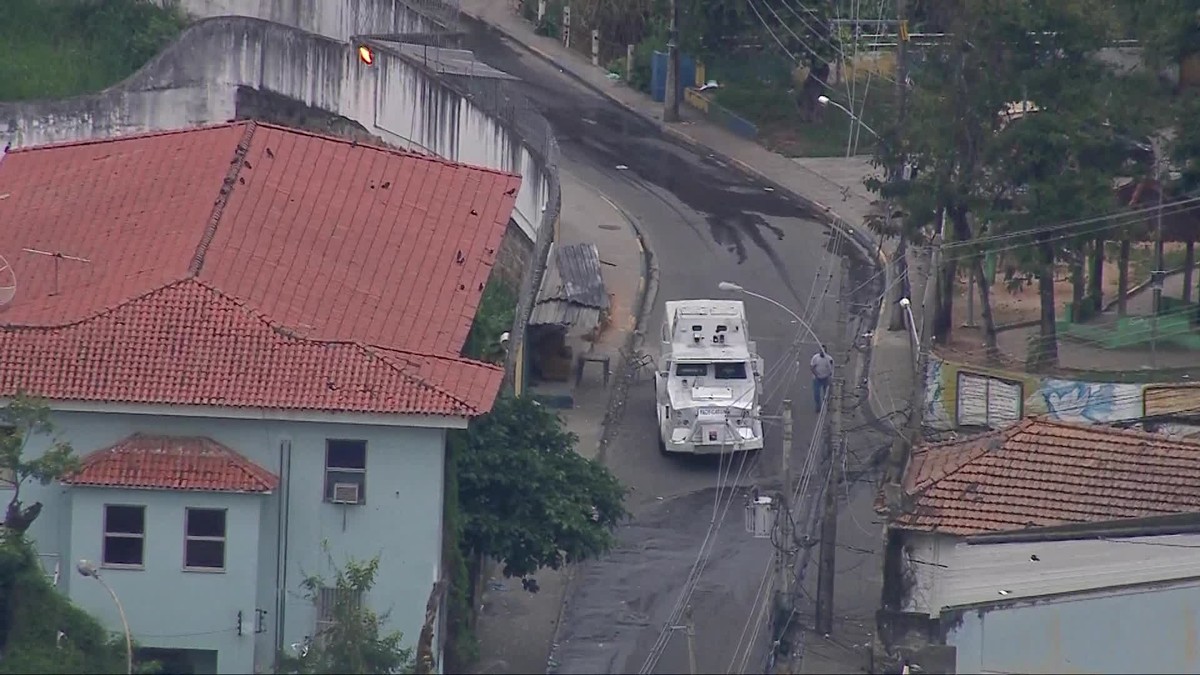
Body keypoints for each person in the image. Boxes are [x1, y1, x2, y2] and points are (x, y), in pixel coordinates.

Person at [810, 345, 834, 413]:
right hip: (817, 379)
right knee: (816, 393)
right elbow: (812, 367)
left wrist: (829, 377)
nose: (821, 352)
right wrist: (816, 374)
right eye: (820, 351)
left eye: (823, 351)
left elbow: (831, 369)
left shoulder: (829, 359)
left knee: (827, 394)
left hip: (825, 378)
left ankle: (827, 405)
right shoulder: (815, 358)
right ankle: (818, 406)